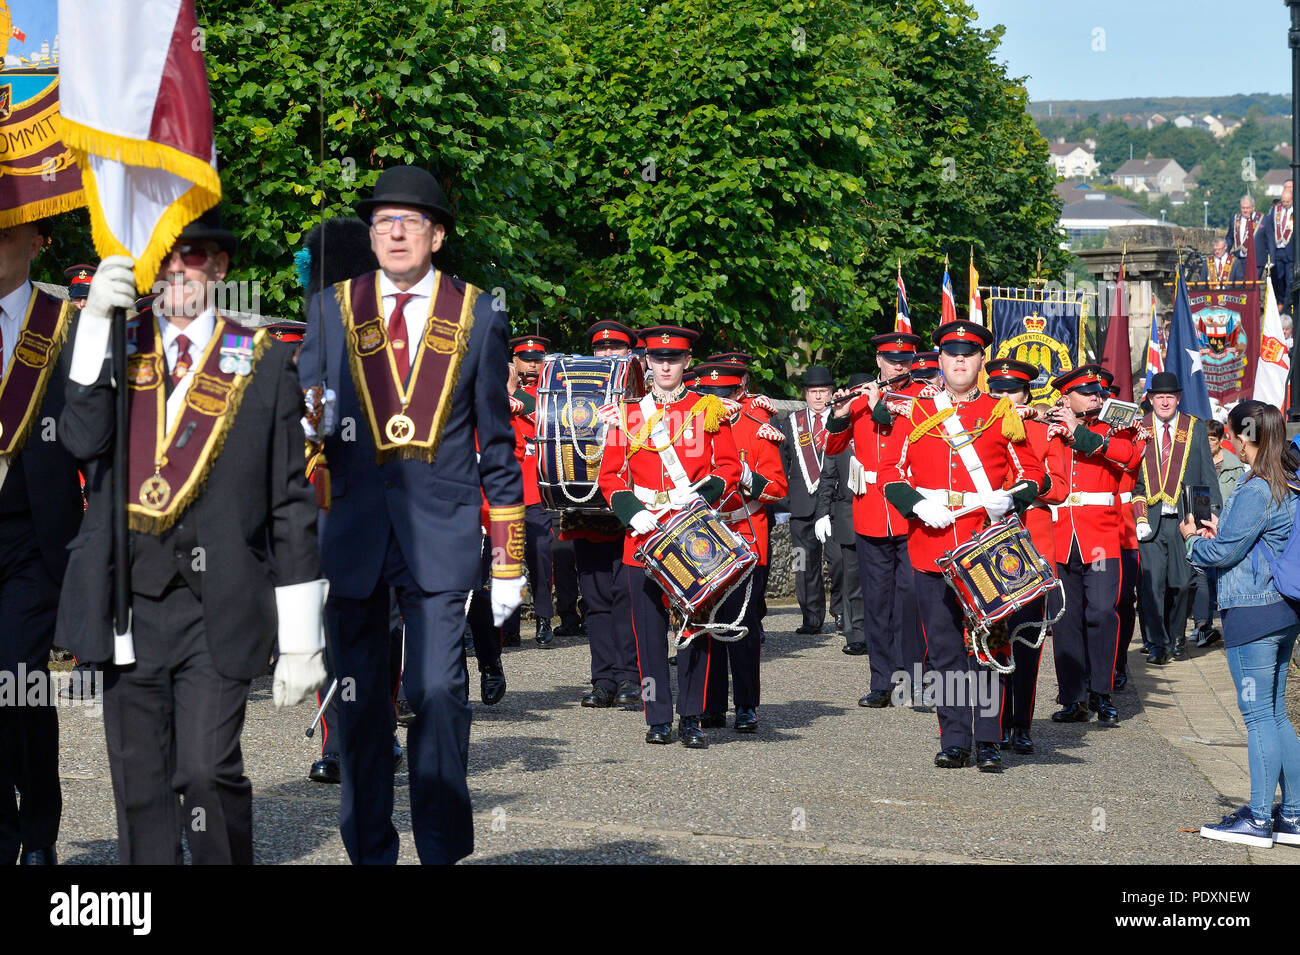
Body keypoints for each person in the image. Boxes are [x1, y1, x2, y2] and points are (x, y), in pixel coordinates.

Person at [58, 209, 327, 864]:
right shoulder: (118, 345)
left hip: (220, 607)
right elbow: (80, 439)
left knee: (206, 771)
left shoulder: (261, 361)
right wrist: (93, 325)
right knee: (140, 787)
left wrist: (301, 638)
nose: (182, 266)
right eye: (170, 254)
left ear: (222, 266)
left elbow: (291, 502)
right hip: (129, 600)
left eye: (199, 254)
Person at [298, 165, 525, 865]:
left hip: (441, 535)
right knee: (359, 709)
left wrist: (509, 557)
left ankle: (442, 851)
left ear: (437, 235)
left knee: (436, 692)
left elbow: (495, 438)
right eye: (381, 221)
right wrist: (313, 419)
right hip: (355, 533)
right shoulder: (334, 306)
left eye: (409, 220)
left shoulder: (480, 312)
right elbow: (310, 411)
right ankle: (370, 851)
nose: (394, 231)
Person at [866, 320, 1045, 771]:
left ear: (981, 361)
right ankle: (955, 738)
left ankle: (988, 738)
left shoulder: (1001, 411)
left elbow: (1034, 475)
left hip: (986, 546)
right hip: (931, 543)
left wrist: (1012, 497)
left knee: (989, 643)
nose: (960, 360)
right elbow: (889, 473)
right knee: (944, 648)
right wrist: (916, 506)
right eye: (952, 354)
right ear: (941, 360)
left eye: (969, 354)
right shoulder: (914, 411)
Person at [596, 325, 741, 748]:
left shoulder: (708, 408)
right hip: (643, 536)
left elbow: (729, 468)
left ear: (686, 363)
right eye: (657, 358)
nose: (665, 365)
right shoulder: (628, 414)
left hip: (694, 534)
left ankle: (692, 716)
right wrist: (632, 512)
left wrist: (701, 498)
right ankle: (658, 717)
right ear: (646, 362)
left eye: (673, 359)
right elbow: (610, 476)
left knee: (696, 629)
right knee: (649, 633)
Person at [0, 218, 82, 865]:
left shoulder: (66, 323)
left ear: (38, 242)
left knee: (19, 679)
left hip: (33, 537)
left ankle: (40, 827)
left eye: (8, 232)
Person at [1186, 400, 1300, 848]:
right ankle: (1291, 816)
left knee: (1257, 717)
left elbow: (1223, 554)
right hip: (1284, 609)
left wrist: (1194, 539)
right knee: (1275, 714)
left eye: (1232, 433)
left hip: (1253, 611)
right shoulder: (1288, 479)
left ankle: (1257, 820)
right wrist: (1224, 529)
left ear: (1239, 435)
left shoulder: (1256, 487)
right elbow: (1254, 540)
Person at [824, 333, 925, 707]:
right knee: (877, 601)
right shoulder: (859, 400)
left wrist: (877, 402)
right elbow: (833, 447)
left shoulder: (922, 397)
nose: (898, 366)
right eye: (891, 359)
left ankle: (915, 677)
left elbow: (907, 428)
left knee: (911, 598)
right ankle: (882, 681)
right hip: (869, 512)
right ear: (879, 360)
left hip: (908, 512)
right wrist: (838, 413)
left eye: (904, 360)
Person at [1044, 365, 1144, 727]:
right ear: (1066, 397)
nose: (1096, 398)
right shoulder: (1049, 428)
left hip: (1101, 539)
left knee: (1101, 612)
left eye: (1098, 393)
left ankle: (1102, 691)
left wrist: (1083, 435)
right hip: (1060, 536)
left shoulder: (1114, 428)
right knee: (1066, 619)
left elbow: (1130, 457)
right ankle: (1074, 697)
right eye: (1087, 393)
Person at [693, 360, 787, 733]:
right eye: (710, 396)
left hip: (745, 532)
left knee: (743, 625)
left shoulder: (758, 432)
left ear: (739, 394)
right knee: (704, 624)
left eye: (726, 395)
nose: (720, 403)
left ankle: (746, 704)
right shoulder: (688, 429)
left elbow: (778, 489)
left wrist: (748, 476)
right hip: (701, 535)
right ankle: (710, 704)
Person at [985, 359, 1057, 754]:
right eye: (996, 391)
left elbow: (1059, 487)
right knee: (992, 640)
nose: (1003, 399)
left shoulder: (1043, 432)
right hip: (988, 547)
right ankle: (990, 725)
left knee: (1027, 641)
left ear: (1026, 394)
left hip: (1030, 548)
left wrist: (1022, 490)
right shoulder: (976, 428)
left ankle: (1021, 723)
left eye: (1011, 391)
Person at [569, 320, 640, 709]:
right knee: (594, 598)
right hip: (582, 507)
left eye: (616, 348)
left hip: (629, 512)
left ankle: (632, 676)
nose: (607, 354)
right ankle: (604, 679)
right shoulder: (572, 393)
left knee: (628, 594)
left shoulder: (643, 398)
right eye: (601, 349)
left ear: (631, 354)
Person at [1133, 372, 1221, 664]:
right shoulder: (1138, 428)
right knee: (1152, 585)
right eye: (1160, 396)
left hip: (1186, 521)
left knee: (1183, 584)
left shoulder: (1193, 428)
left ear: (1178, 398)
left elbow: (1207, 475)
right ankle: (1158, 644)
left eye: (1170, 396)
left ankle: (1178, 636)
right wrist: (1137, 516)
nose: (1165, 401)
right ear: (1151, 399)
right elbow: (1131, 478)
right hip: (1150, 521)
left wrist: (1211, 515)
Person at [779, 366, 842, 635]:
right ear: (805, 394)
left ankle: (841, 612)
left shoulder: (841, 420)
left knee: (839, 562)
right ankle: (810, 616)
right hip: (801, 507)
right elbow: (782, 464)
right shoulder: (791, 422)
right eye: (813, 392)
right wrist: (783, 505)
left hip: (835, 505)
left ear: (831, 393)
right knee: (802, 563)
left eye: (823, 391)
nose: (818, 397)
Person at [506, 334, 557, 649]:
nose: (532, 364)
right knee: (505, 557)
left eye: (537, 359)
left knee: (540, 554)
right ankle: (507, 625)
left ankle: (543, 618)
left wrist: (515, 395)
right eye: (526, 359)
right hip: (508, 484)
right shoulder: (497, 388)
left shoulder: (550, 392)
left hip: (539, 486)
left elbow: (547, 418)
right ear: (515, 362)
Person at [815, 371, 869, 656]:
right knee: (852, 579)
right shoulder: (839, 429)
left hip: (876, 510)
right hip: (847, 512)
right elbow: (828, 476)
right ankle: (856, 633)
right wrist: (822, 513)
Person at [1191, 418, 1246, 650]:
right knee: (1201, 575)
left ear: (1221, 440)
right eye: (1205, 438)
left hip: (1225, 526)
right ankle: (1202, 624)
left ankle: (1224, 624)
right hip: (1202, 523)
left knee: (1220, 578)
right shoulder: (1195, 463)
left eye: (1212, 439)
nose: (1208, 443)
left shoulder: (1234, 466)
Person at [1257, 179, 1294, 312]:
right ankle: (1280, 303)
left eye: (1288, 202)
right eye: (1283, 202)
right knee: (1277, 278)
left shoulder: (1296, 211)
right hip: (1277, 251)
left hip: (1291, 252)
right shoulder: (1276, 211)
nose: (1285, 204)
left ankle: (1285, 308)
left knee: (1290, 280)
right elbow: (1270, 230)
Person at [1227, 194, 1263, 270]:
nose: (1245, 210)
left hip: (1255, 261)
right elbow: (1229, 238)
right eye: (1243, 208)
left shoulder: (1262, 219)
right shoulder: (1235, 219)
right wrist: (1226, 254)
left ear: (1253, 207)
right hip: (1238, 259)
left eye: (1247, 208)